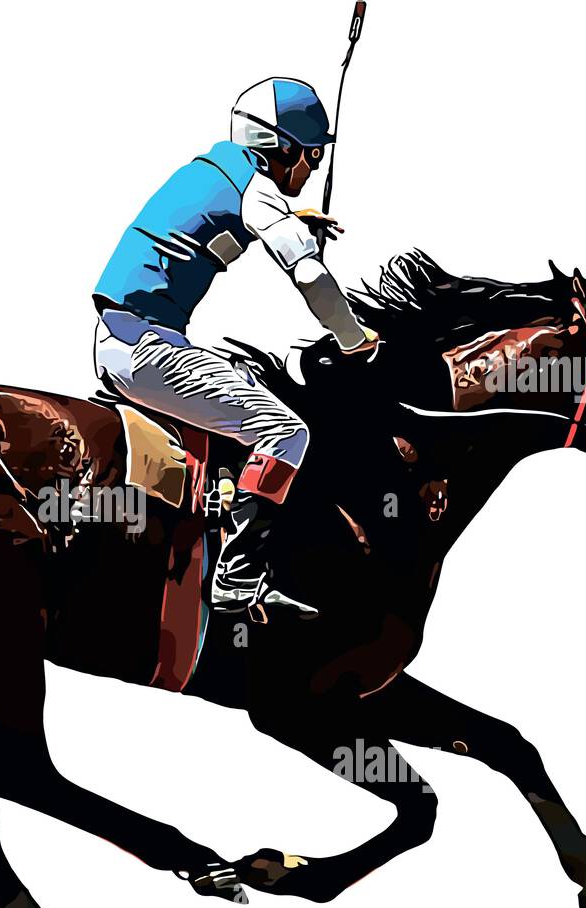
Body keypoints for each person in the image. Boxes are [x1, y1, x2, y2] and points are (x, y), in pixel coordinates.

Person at [92, 77, 378, 617]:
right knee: (288, 432)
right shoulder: (256, 191)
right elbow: (312, 277)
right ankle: (238, 578)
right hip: (142, 350)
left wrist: (292, 218)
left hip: (126, 336)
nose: (313, 170)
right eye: (311, 157)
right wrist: (353, 338)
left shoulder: (211, 170)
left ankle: (217, 506)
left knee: (246, 379)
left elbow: (219, 219)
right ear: (282, 148)